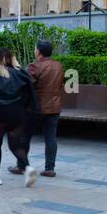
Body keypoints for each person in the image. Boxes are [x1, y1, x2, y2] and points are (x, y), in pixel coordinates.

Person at [0, 47, 39, 187]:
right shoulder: (21, 73)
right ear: (12, 58)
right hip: (19, 114)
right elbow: (31, 94)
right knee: (15, 145)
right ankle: (28, 169)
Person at [25, 39, 64, 178]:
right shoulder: (58, 65)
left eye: (35, 49)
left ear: (39, 52)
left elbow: (26, 86)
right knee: (50, 138)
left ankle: (21, 165)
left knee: (25, 136)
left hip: (37, 107)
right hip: (54, 106)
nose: (34, 51)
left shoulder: (34, 67)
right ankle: (50, 168)